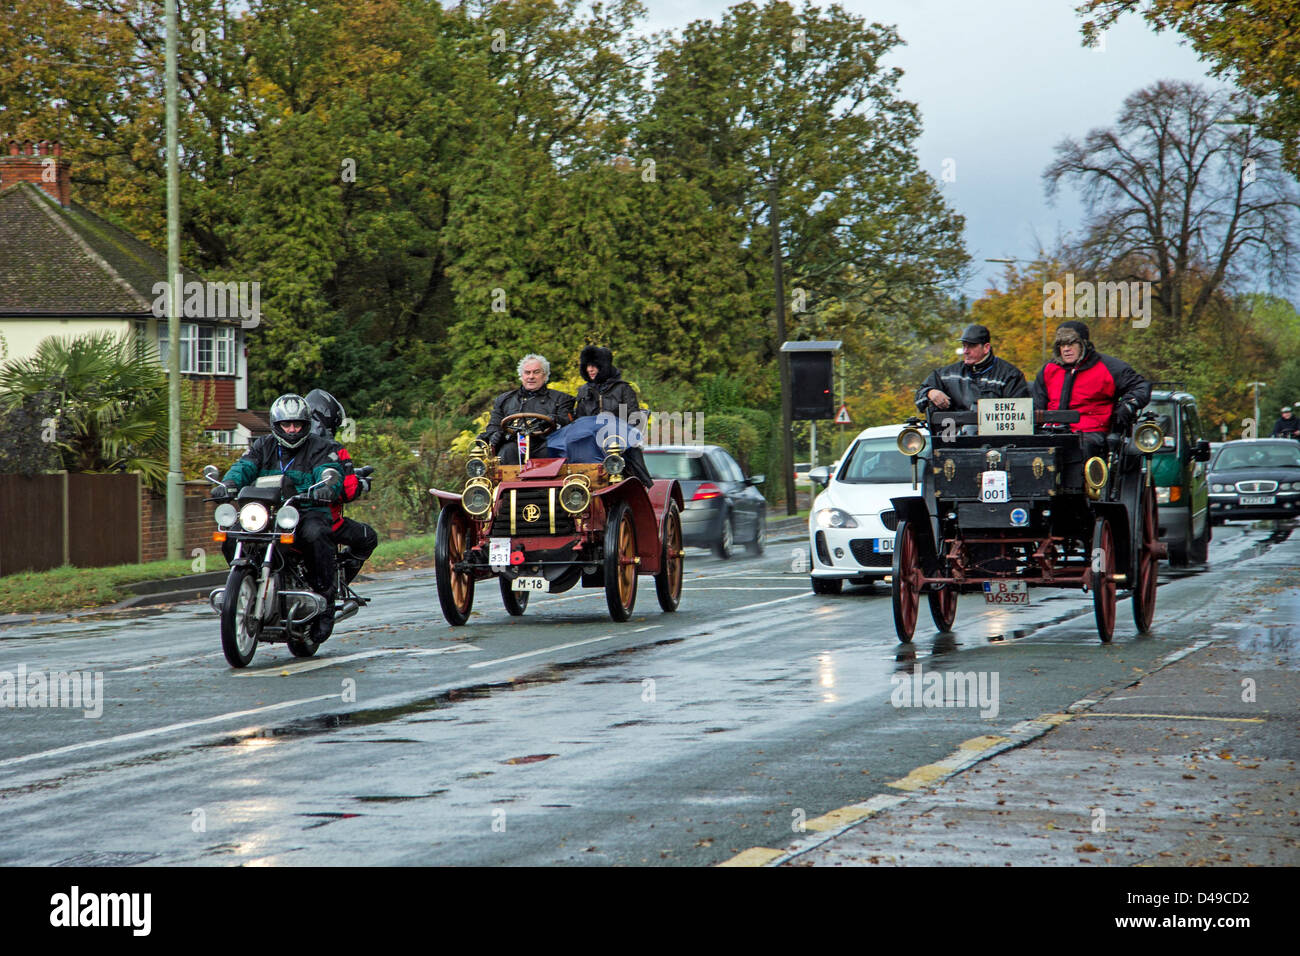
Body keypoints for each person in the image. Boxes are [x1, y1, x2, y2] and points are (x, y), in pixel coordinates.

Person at [214, 394, 343, 643]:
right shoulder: (264, 445)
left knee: (316, 534)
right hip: (268, 512)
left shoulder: (321, 447)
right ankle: (244, 581)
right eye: (287, 425)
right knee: (233, 535)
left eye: (297, 424)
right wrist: (228, 483)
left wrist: (327, 485)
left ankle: (325, 600)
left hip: (306, 510)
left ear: (306, 424)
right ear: (277, 425)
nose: (292, 429)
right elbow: (245, 466)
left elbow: (329, 470)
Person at [1031, 321, 1151, 449]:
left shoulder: (1109, 367)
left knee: (1079, 448)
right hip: (1051, 432)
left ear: (1084, 344)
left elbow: (1141, 386)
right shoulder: (1049, 370)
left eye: (1071, 343)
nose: (1066, 349)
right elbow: (1036, 405)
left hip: (1091, 433)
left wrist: (1129, 405)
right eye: (1061, 344)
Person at [304, 388, 379, 588]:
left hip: (283, 521)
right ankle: (338, 581)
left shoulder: (283, 446)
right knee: (368, 538)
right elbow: (348, 491)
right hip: (325, 522)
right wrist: (361, 484)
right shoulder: (333, 448)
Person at [549, 344, 653, 486]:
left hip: (618, 440)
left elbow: (634, 419)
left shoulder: (623, 389)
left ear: (603, 366)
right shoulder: (583, 391)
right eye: (587, 366)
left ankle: (646, 486)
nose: (590, 369)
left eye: (594, 365)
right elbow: (579, 421)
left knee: (633, 454)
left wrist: (622, 437)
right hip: (590, 441)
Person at [479, 354, 575, 463]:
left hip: (547, 444)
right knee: (507, 451)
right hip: (514, 447)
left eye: (536, 372)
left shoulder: (562, 399)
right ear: (521, 375)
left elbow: (569, 425)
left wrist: (555, 420)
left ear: (545, 375)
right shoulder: (504, 400)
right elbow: (493, 428)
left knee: (554, 450)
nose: (531, 377)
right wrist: (497, 435)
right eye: (527, 372)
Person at [916, 324, 1031, 413]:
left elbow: (1018, 416)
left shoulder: (1010, 375)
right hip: (953, 440)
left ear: (986, 348)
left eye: (971, 346)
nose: (965, 351)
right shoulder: (946, 375)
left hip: (996, 441)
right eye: (964, 346)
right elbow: (919, 395)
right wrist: (930, 392)